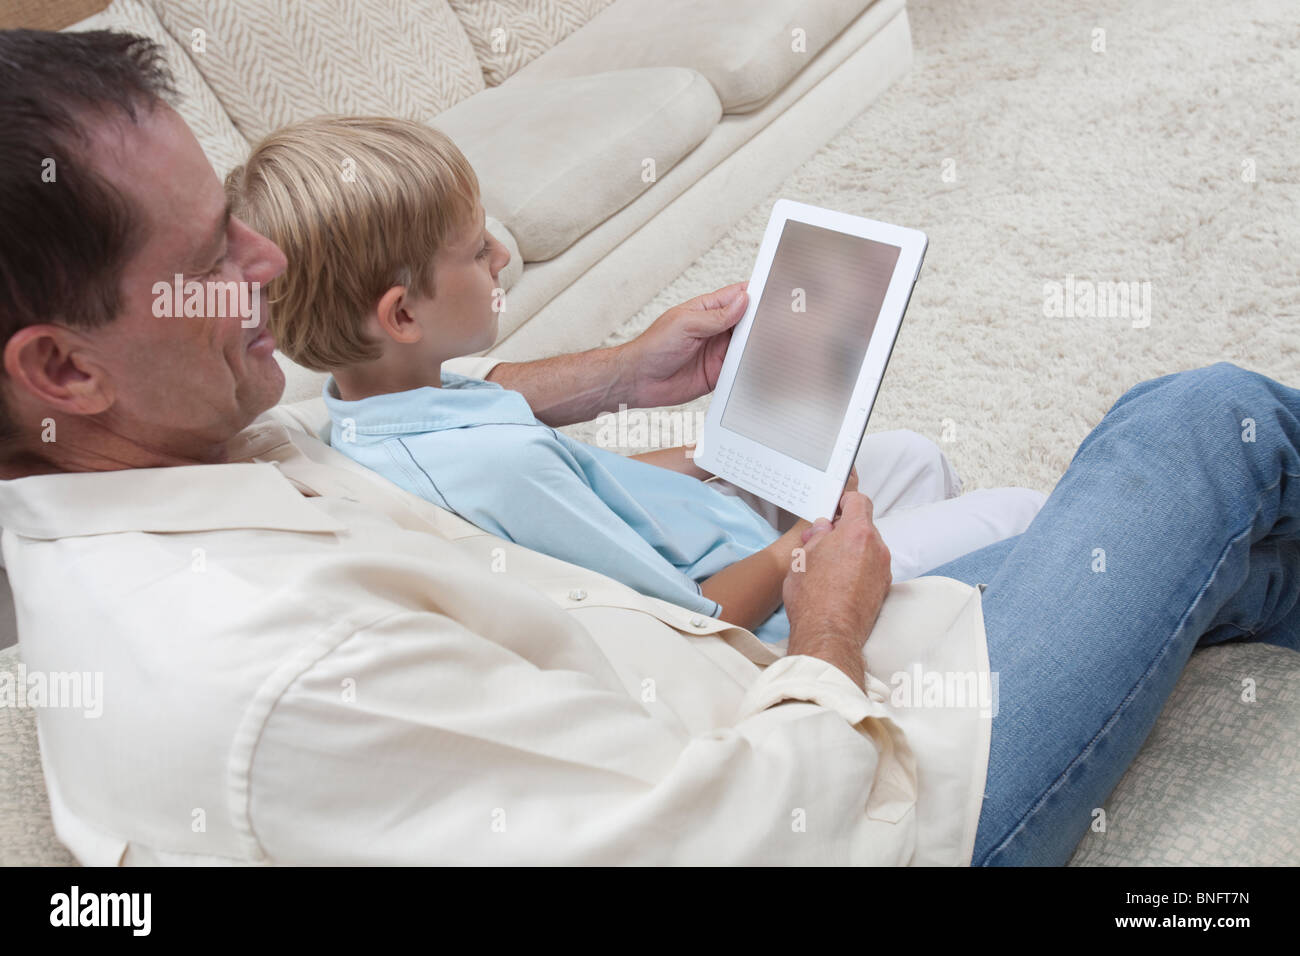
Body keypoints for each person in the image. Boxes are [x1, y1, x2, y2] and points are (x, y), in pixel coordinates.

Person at [1, 29, 1296, 867]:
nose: (265, 263)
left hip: (762, 689)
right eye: (212, 257)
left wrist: (618, 375)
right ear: (62, 367)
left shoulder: (187, 457)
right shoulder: (269, 672)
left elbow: (393, 438)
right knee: (1195, 425)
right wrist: (828, 625)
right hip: (873, 806)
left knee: (1231, 561)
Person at [225, 115, 1046, 643]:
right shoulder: (484, 470)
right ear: (402, 315)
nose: (503, 257)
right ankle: (921, 628)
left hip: (715, 530)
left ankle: (953, 617)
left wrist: (712, 455)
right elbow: (698, 620)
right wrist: (811, 546)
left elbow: (585, 488)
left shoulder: (379, 412)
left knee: (910, 458)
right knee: (1021, 514)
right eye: (477, 249)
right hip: (753, 606)